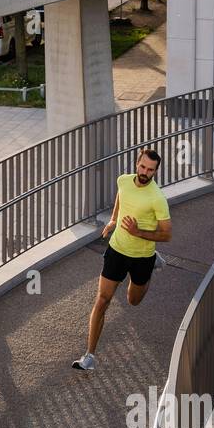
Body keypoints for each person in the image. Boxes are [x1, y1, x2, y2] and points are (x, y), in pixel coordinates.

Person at [72, 147, 172, 373]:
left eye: (151, 169)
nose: (146, 172)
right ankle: (89, 356)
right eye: (143, 166)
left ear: (156, 171)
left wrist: (139, 233)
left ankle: (153, 263)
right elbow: (121, 196)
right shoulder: (124, 181)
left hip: (142, 257)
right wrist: (113, 220)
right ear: (137, 164)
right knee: (102, 300)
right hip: (117, 249)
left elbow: (166, 234)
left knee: (133, 301)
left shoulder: (157, 198)